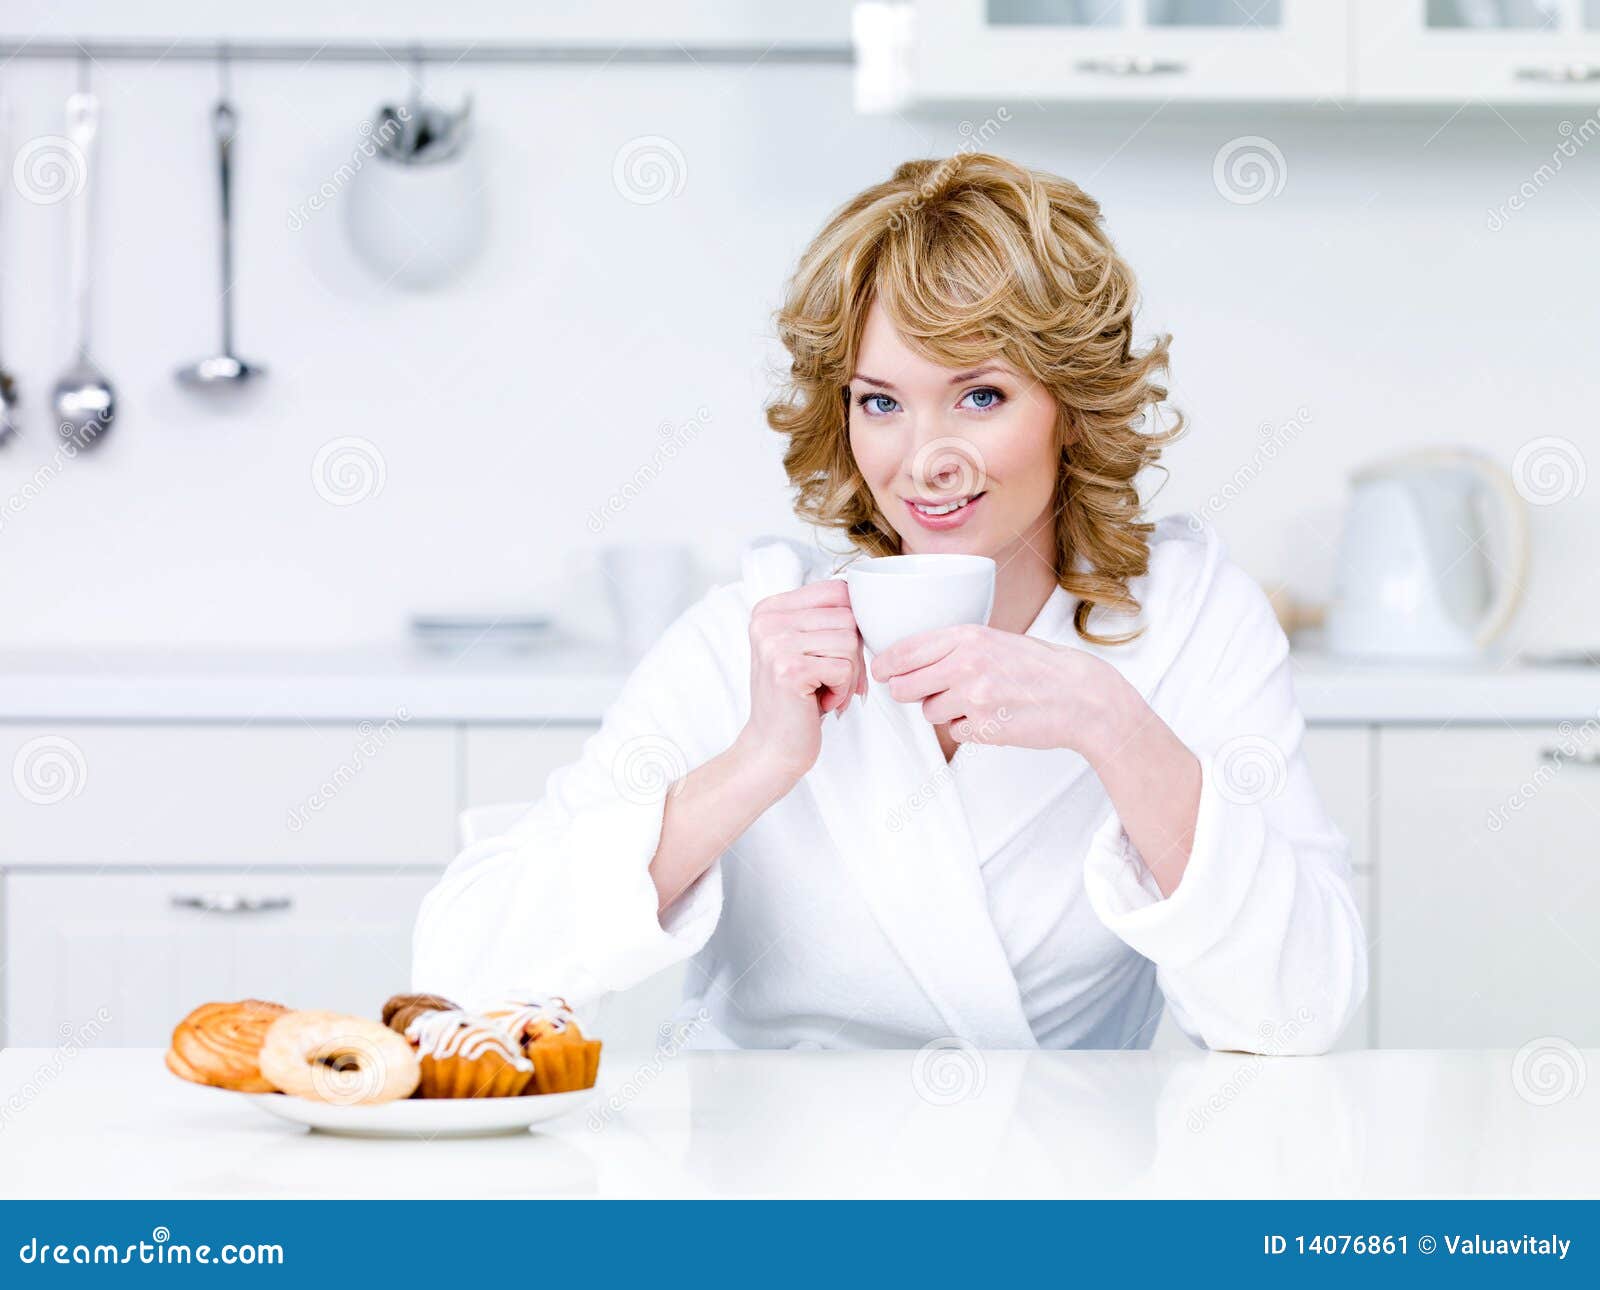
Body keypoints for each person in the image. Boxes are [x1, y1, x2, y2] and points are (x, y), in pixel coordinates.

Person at [413, 153, 1367, 1053]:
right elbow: (466, 976)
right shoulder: (758, 634)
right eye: (881, 402)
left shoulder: (1184, 623)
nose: (924, 458)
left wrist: (1113, 728)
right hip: (765, 1161)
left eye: (980, 396)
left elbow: (1299, 1010)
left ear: (1072, 406)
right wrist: (757, 761)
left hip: (1062, 1157)